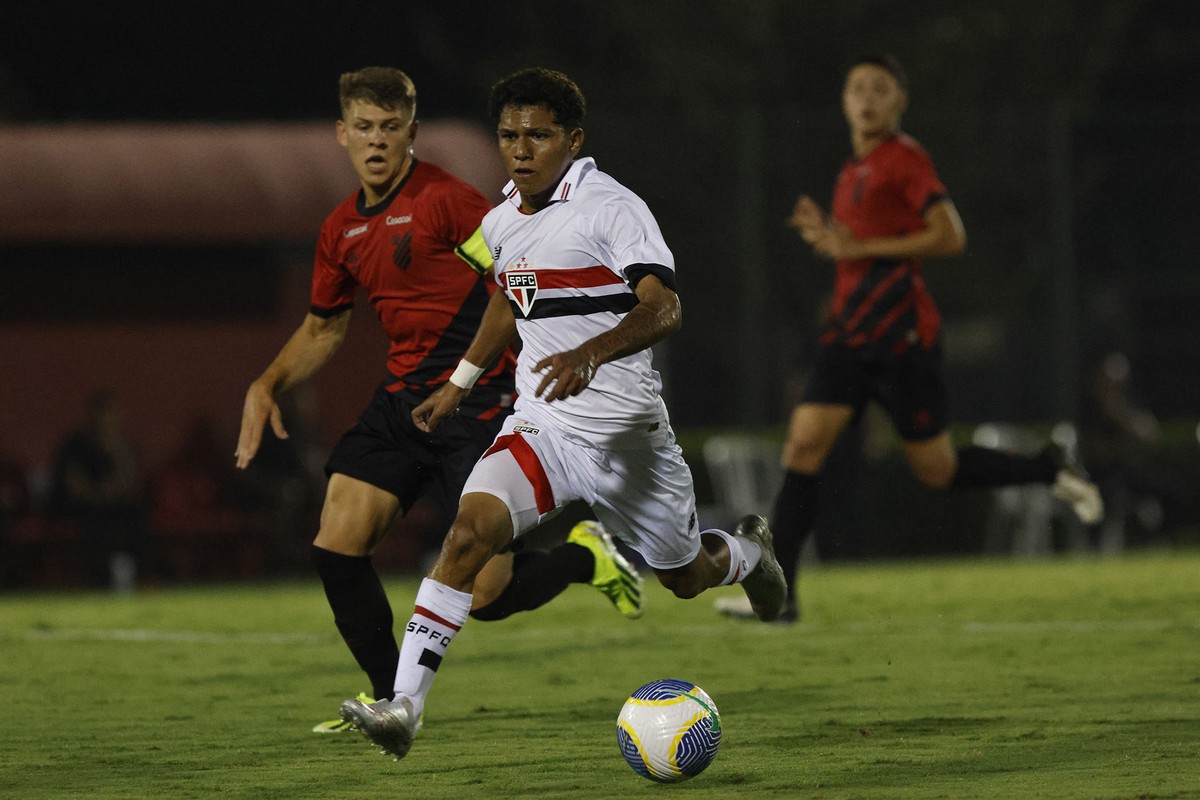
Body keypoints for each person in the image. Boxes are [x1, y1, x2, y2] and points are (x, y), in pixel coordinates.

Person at [337, 66, 788, 760]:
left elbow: (664, 306)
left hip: (627, 443)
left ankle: (751, 552)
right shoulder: (500, 219)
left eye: (538, 136)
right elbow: (504, 297)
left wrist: (592, 353)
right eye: (510, 135)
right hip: (543, 427)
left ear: (572, 140)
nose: (521, 149)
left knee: (685, 578)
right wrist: (460, 381)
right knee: (466, 537)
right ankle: (403, 709)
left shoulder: (612, 208)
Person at [234, 67, 644, 732]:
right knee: (335, 544)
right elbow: (323, 326)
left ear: (412, 134)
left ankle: (583, 557)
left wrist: (543, 355)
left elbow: (514, 276)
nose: (376, 140)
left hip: (477, 404)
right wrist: (266, 383)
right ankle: (386, 700)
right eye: (363, 127)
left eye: (389, 128)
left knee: (485, 596)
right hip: (402, 404)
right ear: (342, 134)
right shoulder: (340, 229)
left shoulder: (448, 202)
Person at [719, 54, 1103, 624]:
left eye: (880, 89)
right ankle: (782, 597)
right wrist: (833, 240)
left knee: (937, 470)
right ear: (845, 101)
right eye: (857, 88)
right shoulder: (852, 171)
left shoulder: (905, 158)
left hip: (901, 338)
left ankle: (1049, 469)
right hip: (848, 337)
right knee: (802, 448)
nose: (867, 98)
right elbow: (862, 249)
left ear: (900, 101)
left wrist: (860, 247)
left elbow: (950, 236)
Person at [47, 389, 148, 592]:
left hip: (112, 506)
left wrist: (115, 447)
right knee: (97, 519)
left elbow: (130, 480)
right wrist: (100, 496)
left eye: (113, 413)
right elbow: (75, 487)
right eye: (104, 412)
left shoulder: (121, 446)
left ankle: (137, 573)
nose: (109, 419)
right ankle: (100, 578)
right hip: (80, 507)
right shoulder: (75, 444)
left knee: (136, 513)